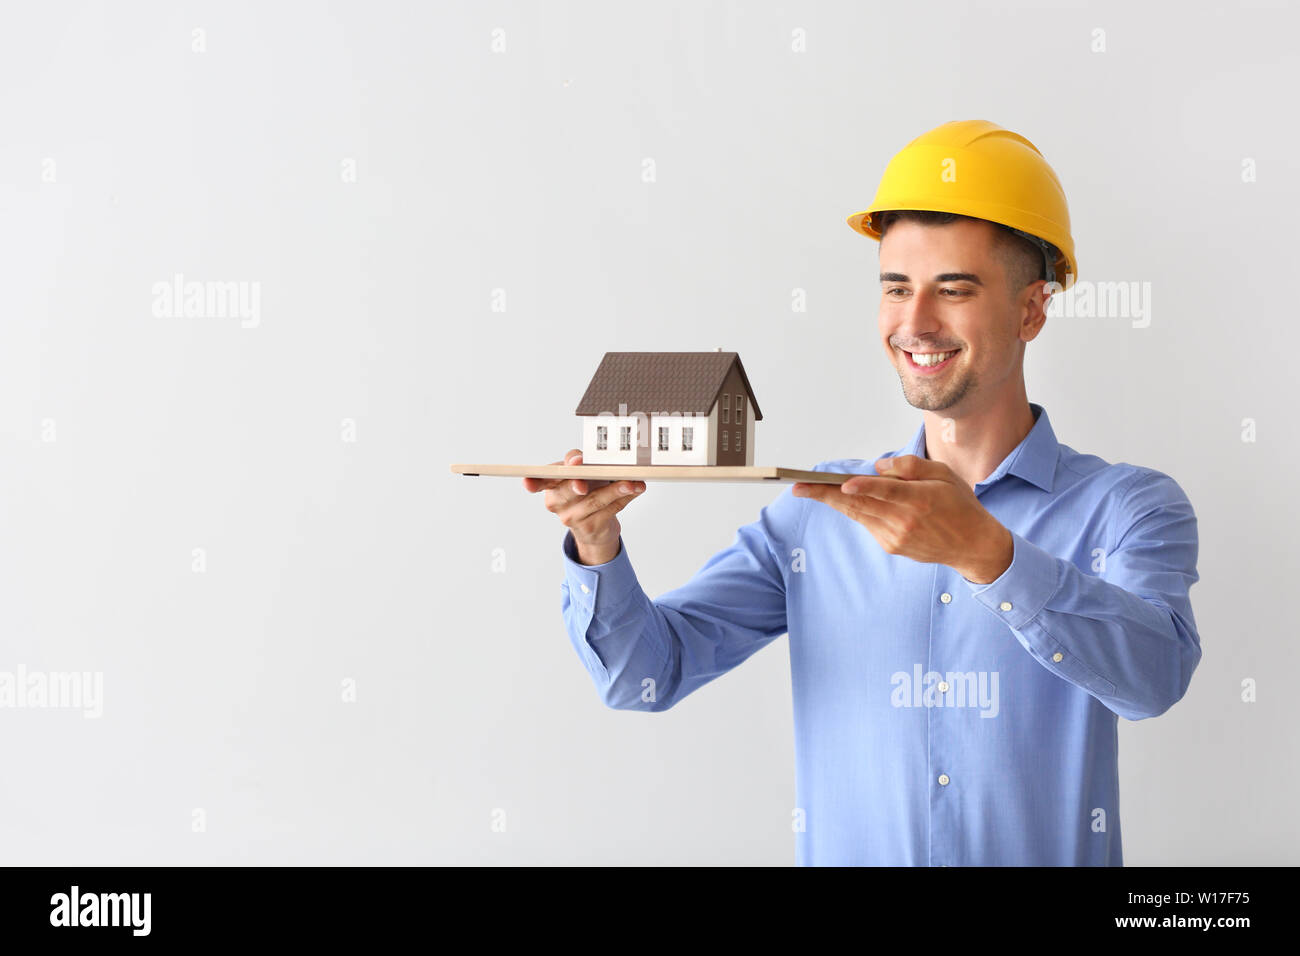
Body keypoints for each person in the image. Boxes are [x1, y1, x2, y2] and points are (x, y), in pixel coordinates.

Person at [523, 120, 1201, 866]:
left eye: (954, 289)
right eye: (896, 288)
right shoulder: (815, 517)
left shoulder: (1130, 507)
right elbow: (645, 676)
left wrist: (987, 554)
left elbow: (1154, 678)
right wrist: (596, 545)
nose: (914, 323)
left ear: (1032, 310)